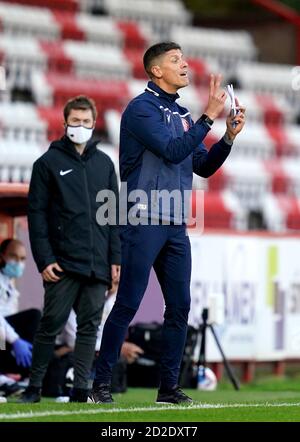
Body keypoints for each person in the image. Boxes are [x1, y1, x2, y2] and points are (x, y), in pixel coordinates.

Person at [89, 42, 246, 404]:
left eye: (184, 58)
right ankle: (100, 385)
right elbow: (173, 151)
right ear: (156, 70)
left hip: (176, 222)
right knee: (128, 303)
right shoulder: (140, 110)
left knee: (179, 306)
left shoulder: (183, 115)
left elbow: (202, 165)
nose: (185, 64)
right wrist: (208, 116)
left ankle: (169, 389)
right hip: (142, 218)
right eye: (176, 60)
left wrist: (228, 137)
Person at [20, 95, 121, 403]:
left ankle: (80, 391)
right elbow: (35, 215)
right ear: (64, 124)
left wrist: (116, 260)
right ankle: (33, 388)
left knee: (89, 330)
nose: (80, 127)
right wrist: (44, 259)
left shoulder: (105, 164)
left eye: (86, 122)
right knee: (49, 326)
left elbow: (113, 215)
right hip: (62, 263)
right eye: (74, 121)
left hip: (97, 265)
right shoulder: (46, 164)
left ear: (94, 124)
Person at [42, 279, 143, 398]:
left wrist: (116, 346)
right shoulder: (71, 300)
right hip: (63, 351)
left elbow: (100, 334)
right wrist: (118, 347)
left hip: (89, 347)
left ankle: (101, 385)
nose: (115, 280)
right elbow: (75, 340)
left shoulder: (112, 300)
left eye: (117, 281)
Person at [0, 239, 41, 387]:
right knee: (34, 316)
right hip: (2, 338)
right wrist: (16, 340)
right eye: (13, 256)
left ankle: (22, 375)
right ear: (2, 256)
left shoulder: (10, 285)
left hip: (2, 341)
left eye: (22, 258)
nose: (18, 262)